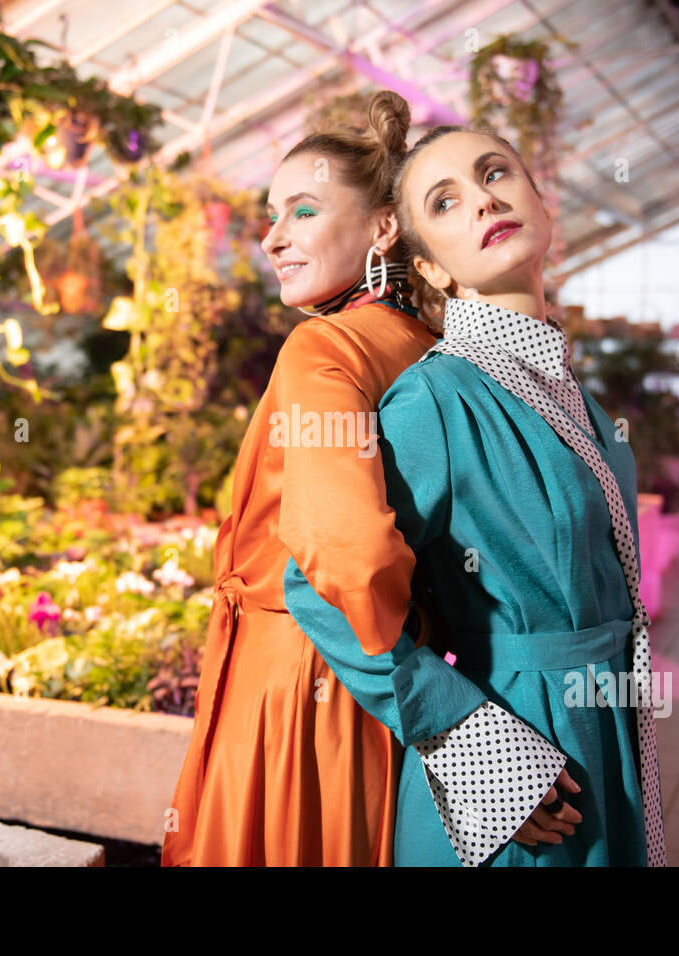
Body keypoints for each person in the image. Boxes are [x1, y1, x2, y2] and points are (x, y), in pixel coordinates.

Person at [282, 124, 668, 867]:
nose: (485, 199)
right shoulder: (439, 398)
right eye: (447, 201)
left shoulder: (567, 391)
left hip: (602, 736)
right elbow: (319, 585)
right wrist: (472, 745)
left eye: (496, 174)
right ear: (434, 267)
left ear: (542, 205)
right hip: (523, 766)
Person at [161, 91, 439, 866]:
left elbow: (348, 548)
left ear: (385, 226)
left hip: (300, 683)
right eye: (271, 215)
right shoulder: (422, 344)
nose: (273, 238)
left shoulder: (325, 349)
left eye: (304, 212)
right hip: (377, 693)